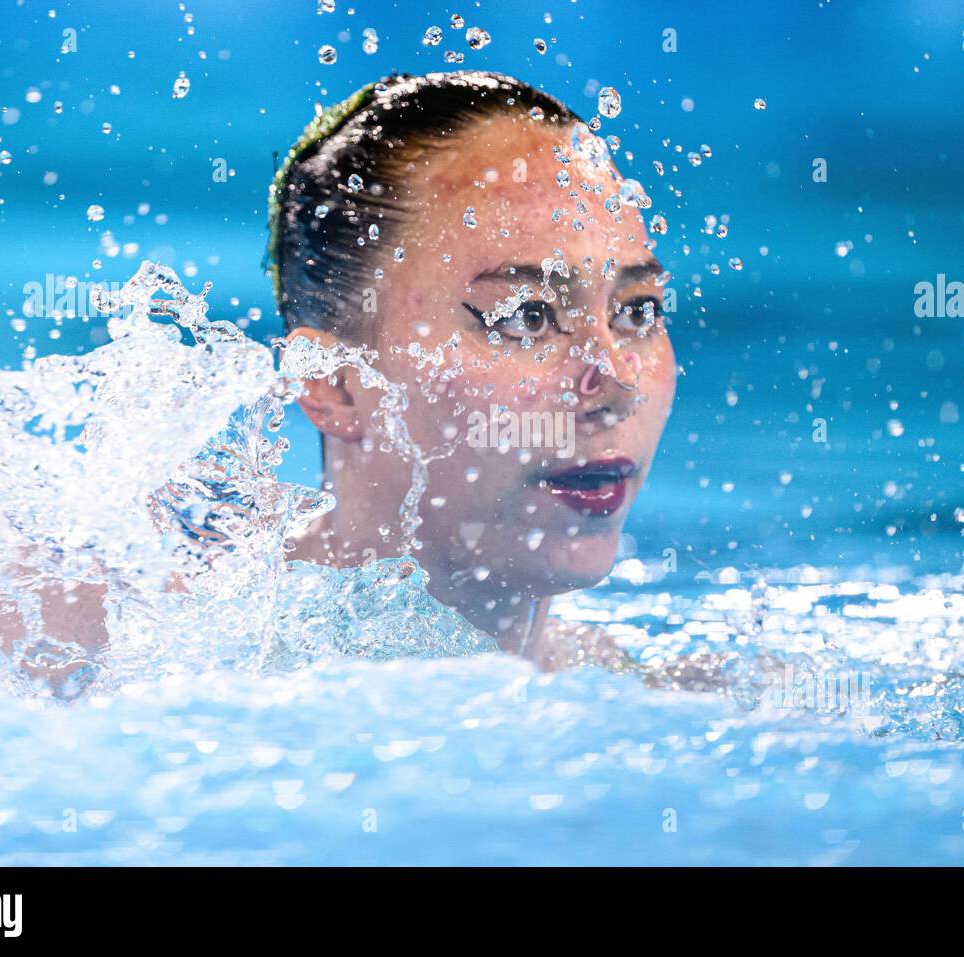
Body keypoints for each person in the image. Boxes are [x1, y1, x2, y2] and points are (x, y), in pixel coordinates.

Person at [268, 71, 677, 670]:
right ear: (333, 382)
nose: (616, 383)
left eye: (636, 311)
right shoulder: (124, 654)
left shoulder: (675, 703)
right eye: (528, 318)